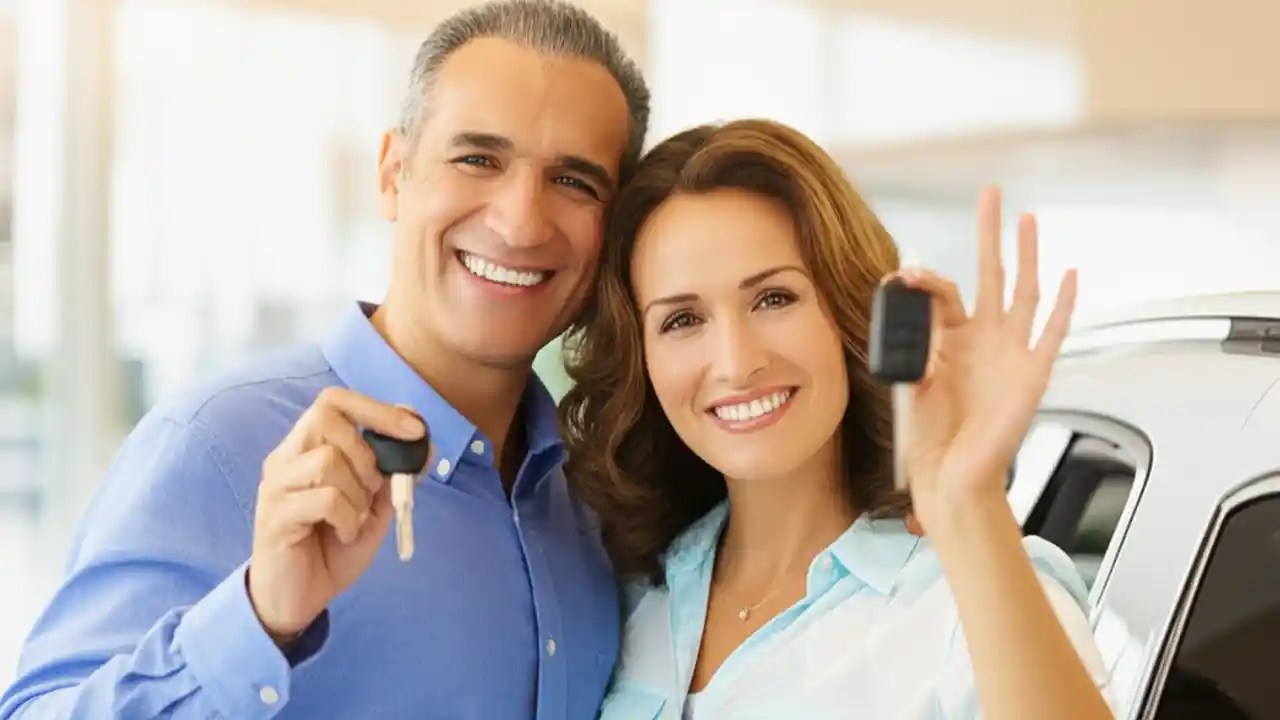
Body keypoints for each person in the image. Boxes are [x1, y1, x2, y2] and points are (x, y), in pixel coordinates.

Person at [0, 2, 648, 718]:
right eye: (477, 159)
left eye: (574, 182)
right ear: (392, 173)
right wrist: (258, 618)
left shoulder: (593, 498)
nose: (521, 222)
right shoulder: (217, 444)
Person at [560, 119, 1114, 719]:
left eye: (773, 299)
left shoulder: (970, 600)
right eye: (682, 320)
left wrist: (969, 501)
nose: (737, 363)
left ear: (850, 315)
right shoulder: (629, 598)